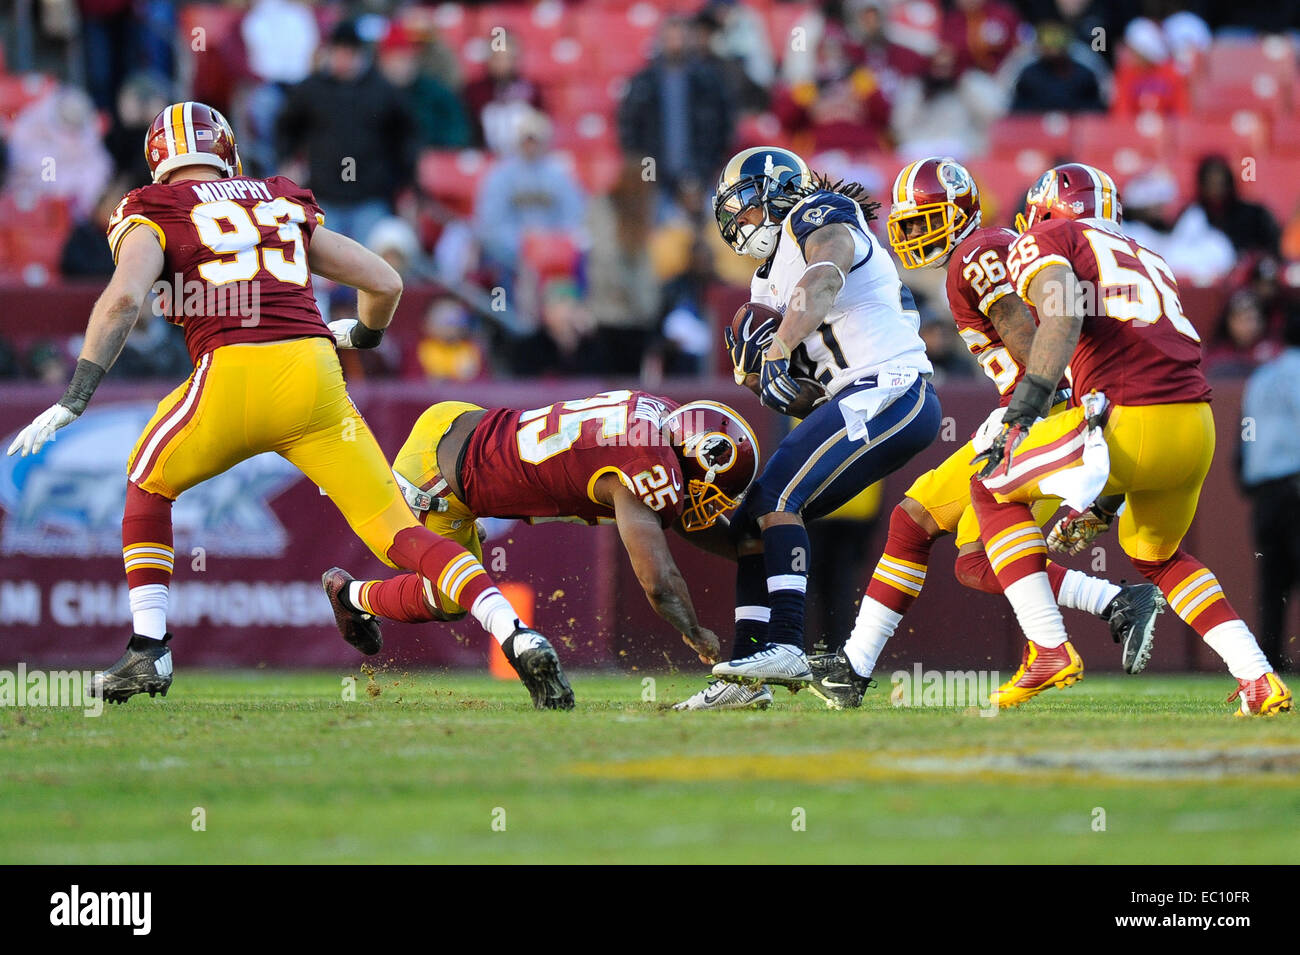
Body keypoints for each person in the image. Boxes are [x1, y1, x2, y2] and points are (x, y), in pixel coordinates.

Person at [6, 102, 570, 711]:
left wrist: (75, 395)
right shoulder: (277, 197)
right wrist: (363, 336)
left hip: (235, 372)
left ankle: (149, 647)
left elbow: (122, 301)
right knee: (397, 533)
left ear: (157, 161)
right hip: (315, 374)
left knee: (147, 480)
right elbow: (385, 282)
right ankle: (515, 630)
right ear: (225, 151)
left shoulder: (151, 206)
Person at [809, 158, 1164, 707]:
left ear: (961, 212)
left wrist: (1030, 416)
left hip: (1040, 415)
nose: (912, 234)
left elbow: (1026, 338)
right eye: (905, 224)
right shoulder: (978, 254)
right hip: (1030, 412)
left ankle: (1111, 604)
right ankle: (853, 668)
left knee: (976, 560)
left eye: (924, 219)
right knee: (912, 520)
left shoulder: (976, 254)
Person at [973, 162, 1290, 715]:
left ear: (1048, 211)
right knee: (1156, 554)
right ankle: (1258, 677)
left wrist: (1026, 405)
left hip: (1125, 418)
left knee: (989, 484)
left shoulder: (1052, 235)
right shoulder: (1150, 254)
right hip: (1194, 426)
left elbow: (1064, 312)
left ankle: (1048, 646)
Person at [690, 146, 942, 706]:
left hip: (893, 386)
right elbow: (791, 384)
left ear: (775, 192)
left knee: (778, 494)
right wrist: (762, 376)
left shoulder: (819, 213)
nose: (739, 223)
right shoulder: (765, 281)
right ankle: (745, 678)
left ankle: (786, 644)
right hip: (857, 394)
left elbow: (825, 276)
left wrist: (778, 346)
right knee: (755, 514)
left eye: (745, 208)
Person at [320, 391, 758, 702]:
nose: (701, 501)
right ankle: (351, 594)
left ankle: (355, 595)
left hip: (459, 422)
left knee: (459, 578)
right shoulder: (646, 469)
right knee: (448, 599)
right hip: (440, 478)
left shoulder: (659, 416)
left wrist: (753, 550)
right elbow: (659, 582)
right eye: (705, 488)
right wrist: (696, 634)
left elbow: (684, 515)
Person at [277, 19, 415, 243]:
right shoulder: (312, 89)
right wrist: (287, 158)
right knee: (324, 270)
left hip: (370, 199)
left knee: (367, 269)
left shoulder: (382, 90)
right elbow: (286, 127)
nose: (343, 59)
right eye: (339, 52)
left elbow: (406, 136)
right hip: (323, 197)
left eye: (349, 53)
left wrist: (403, 183)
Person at [1240, 309, 1300, 672]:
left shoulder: (1261, 377)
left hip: (1267, 492)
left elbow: (1246, 432)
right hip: (1296, 484)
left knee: (1272, 587)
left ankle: (1269, 663)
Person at [617, 16, 735, 200]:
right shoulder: (643, 83)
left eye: (680, 38)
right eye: (670, 39)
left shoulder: (709, 81)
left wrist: (705, 171)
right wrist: (646, 173)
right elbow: (630, 130)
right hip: (657, 181)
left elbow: (723, 128)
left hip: (702, 179)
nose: (675, 44)